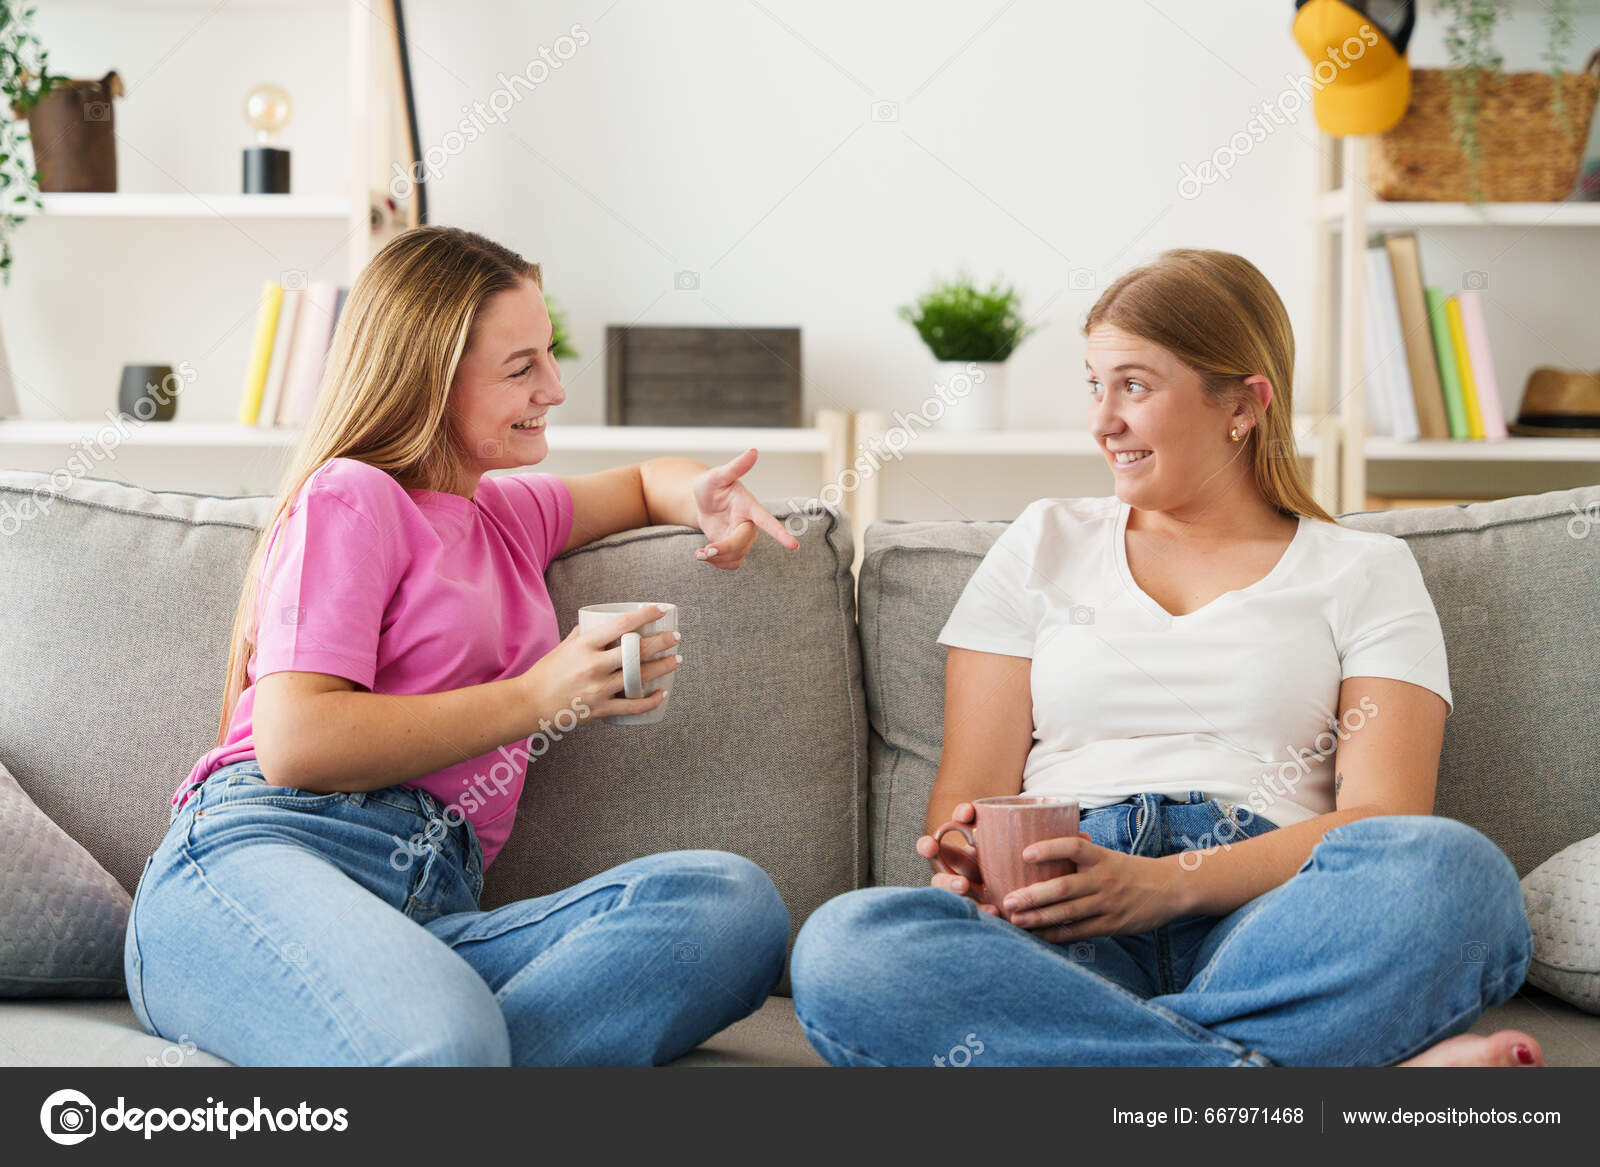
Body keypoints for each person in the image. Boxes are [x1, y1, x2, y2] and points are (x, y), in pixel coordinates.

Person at [789, 248, 1540, 1068]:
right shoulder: (1042, 542)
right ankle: (1266, 1078)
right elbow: (965, 797)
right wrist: (968, 860)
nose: (1100, 419)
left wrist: (1167, 881)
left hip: (1272, 920)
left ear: (1244, 404)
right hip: (1062, 920)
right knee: (846, 945)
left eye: (1134, 386)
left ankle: (1125, 1074)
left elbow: (1384, 818)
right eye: (1093, 384)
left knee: (1455, 874)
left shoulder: (1365, 570)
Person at [123, 225, 797, 1067]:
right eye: (522, 368)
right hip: (261, 861)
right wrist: (540, 698)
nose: (554, 386)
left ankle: (439, 1055)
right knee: (445, 1036)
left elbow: (635, 483)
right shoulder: (354, 496)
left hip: (431, 908)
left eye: (548, 355)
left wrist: (699, 496)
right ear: (430, 380)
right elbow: (297, 744)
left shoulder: (511, 516)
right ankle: (440, 1046)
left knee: (734, 905)